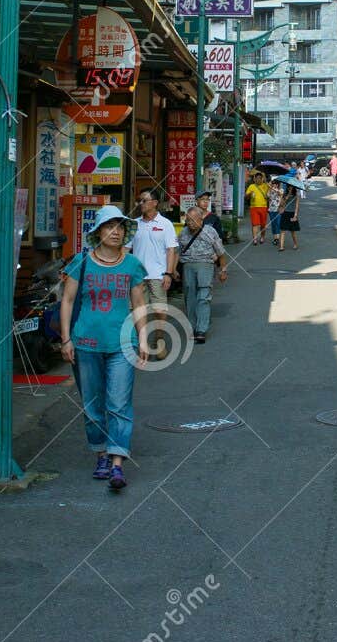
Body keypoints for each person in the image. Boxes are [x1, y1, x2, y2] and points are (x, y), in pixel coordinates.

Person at [60, 205, 147, 494]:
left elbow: (138, 304)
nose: (116, 232)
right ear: (98, 232)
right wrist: (65, 339)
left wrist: (144, 337)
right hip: (86, 343)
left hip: (123, 344)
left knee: (119, 403)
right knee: (92, 405)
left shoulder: (132, 264)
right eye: (110, 227)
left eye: (120, 227)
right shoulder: (81, 262)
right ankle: (101, 454)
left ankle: (118, 461)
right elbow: (68, 301)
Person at [129, 190, 178, 359]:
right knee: (138, 311)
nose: (140, 203)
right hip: (137, 276)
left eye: (144, 200)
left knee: (160, 311)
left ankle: (159, 339)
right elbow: (126, 250)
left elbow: (171, 249)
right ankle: (142, 344)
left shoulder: (165, 224)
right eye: (139, 200)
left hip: (158, 275)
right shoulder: (133, 224)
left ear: (155, 203)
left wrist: (168, 273)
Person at [177, 207, 228, 344]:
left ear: (201, 220)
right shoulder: (182, 233)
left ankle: (201, 330)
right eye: (188, 220)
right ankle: (193, 327)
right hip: (187, 266)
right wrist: (174, 270)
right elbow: (177, 252)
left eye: (193, 220)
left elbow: (221, 253)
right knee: (190, 297)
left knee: (203, 296)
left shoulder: (210, 232)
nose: (190, 223)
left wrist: (223, 270)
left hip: (205, 265)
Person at [278, 179, 301, 253]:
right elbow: (281, 204)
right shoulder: (284, 194)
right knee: (283, 230)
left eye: (291, 187)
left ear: (294, 187)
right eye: (289, 186)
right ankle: (281, 246)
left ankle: (295, 244)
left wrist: (295, 216)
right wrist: (285, 197)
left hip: (292, 213)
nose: (290, 188)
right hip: (285, 213)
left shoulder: (296, 195)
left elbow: (297, 206)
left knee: (292, 231)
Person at [245, 174, 269, 245]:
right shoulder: (251, 186)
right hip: (254, 207)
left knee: (263, 224)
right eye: (257, 178)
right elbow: (246, 197)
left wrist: (266, 182)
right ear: (254, 179)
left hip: (263, 207)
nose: (258, 179)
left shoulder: (265, 185)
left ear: (262, 179)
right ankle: (255, 239)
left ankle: (262, 237)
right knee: (255, 224)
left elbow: (271, 191)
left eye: (260, 178)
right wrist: (249, 194)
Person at [267, 177, 283, 246]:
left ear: (278, 184)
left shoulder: (281, 190)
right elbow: (267, 196)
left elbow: (280, 193)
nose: (274, 185)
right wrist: (270, 189)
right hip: (271, 209)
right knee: (273, 224)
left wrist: (271, 187)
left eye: (275, 184)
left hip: (278, 209)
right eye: (273, 183)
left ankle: (278, 238)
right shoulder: (270, 190)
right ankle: (275, 238)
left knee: (278, 223)